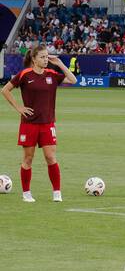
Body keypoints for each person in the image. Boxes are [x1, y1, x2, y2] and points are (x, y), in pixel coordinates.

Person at [1, 44, 77, 202]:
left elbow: (73, 79)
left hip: (47, 123)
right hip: (29, 124)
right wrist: (19, 108)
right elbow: (5, 90)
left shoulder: (52, 74)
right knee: (28, 158)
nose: (45, 59)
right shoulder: (25, 74)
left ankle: (57, 193)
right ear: (34, 59)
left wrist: (60, 63)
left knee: (50, 157)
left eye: (46, 56)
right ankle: (26, 193)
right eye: (42, 57)